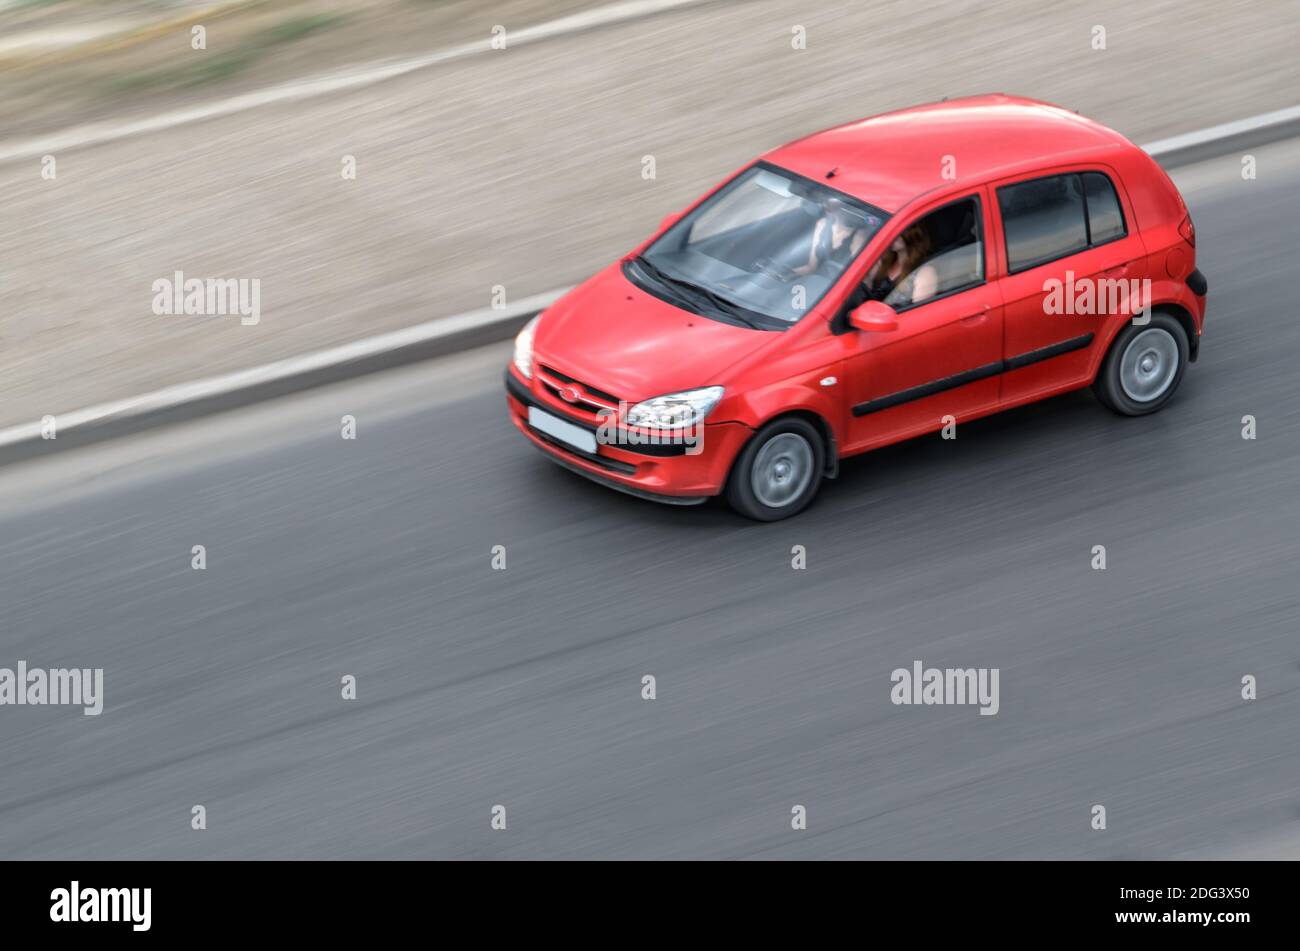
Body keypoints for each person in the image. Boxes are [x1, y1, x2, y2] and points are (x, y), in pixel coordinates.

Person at [792, 198, 869, 277]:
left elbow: (856, 277)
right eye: (828, 206)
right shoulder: (822, 224)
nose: (827, 209)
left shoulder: (860, 238)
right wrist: (790, 274)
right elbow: (811, 267)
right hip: (816, 282)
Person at [864, 224, 937, 305]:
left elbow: (921, 311)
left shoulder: (924, 272)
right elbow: (864, 290)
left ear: (912, 235)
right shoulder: (883, 262)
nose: (891, 236)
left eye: (897, 232)